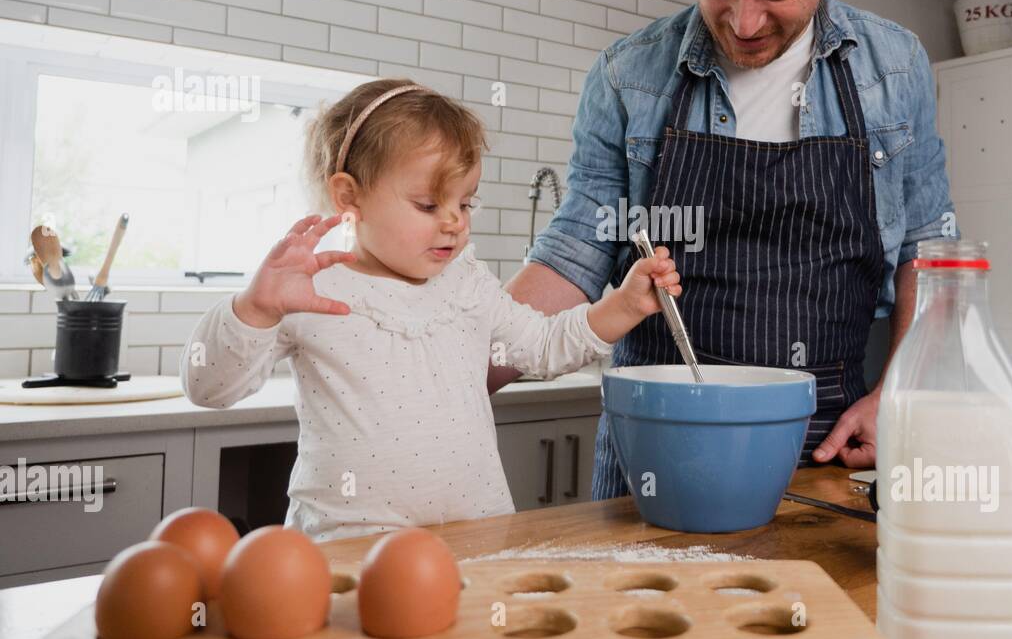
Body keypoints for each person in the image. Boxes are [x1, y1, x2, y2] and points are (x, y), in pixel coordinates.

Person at [488, 0, 958, 500]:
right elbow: (579, 246)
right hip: (653, 439)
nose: (742, 23)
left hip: (824, 445)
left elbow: (928, 244)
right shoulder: (629, 75)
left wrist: (903, 393)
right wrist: (457, 363)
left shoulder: (895, 67)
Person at [180, 78, 680, 540]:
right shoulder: (309, 288)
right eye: (427, 205)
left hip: (475, 539)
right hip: (349, 548)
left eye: (465, 204)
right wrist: (255, 308)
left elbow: (544, 345)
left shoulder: (465, 281)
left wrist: (623, 305)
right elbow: (208, 388)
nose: (454, 223)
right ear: (349, 197)